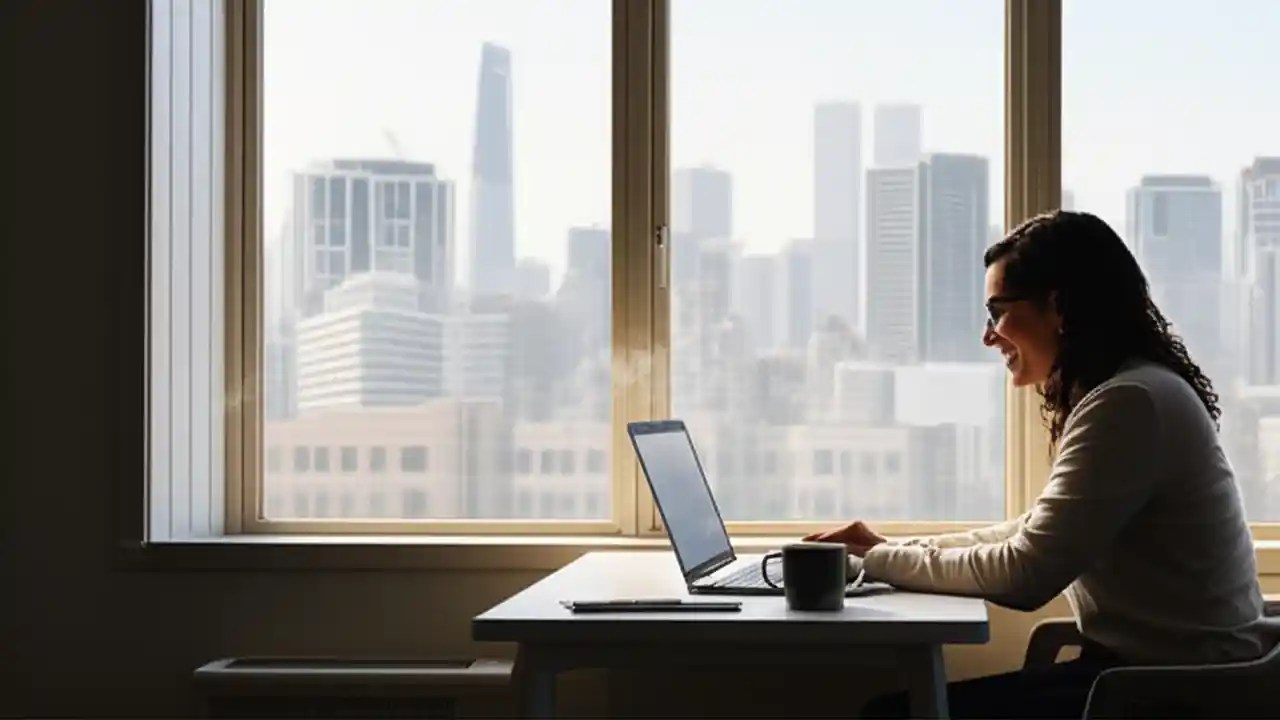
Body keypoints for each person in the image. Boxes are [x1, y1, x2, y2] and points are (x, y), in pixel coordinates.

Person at [806, 210, 1267, 719]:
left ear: (1059, 306)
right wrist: (890, 549)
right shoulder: (1130, 392)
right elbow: (1032, 533)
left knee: (895, 714)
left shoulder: (1130, 404)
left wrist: (877, 561)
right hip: (1151, 675)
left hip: (1170, 693)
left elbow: (1026, 572)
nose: (988, 336)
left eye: (997, 311)